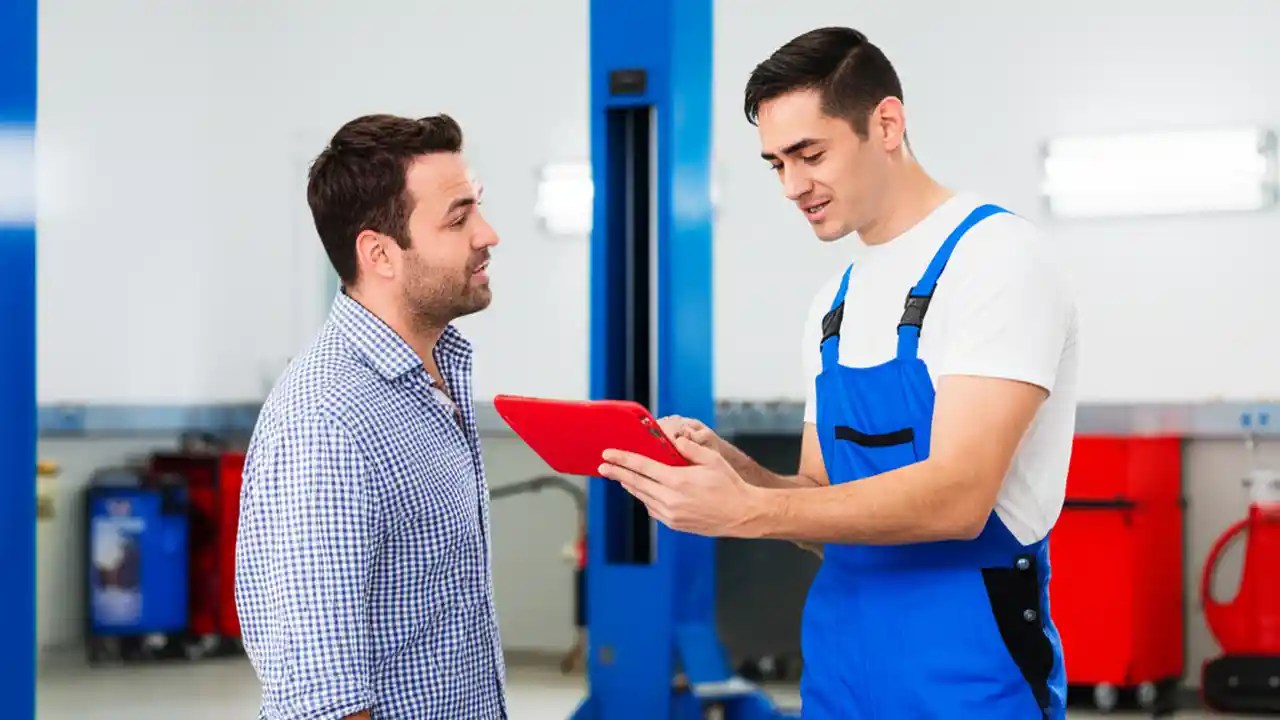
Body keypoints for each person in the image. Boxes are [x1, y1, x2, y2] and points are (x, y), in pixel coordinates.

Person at [598, 27, 1078, 720]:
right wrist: (736, 472)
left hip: (969, 669)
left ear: (886, 123)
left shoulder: (997, 262)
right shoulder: (836, 305)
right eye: (775, 165)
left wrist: (749, 510)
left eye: (809, 154)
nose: (793, 186)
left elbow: (958, 499)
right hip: (840, 668)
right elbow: (821, 505)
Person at [235, 113, 507, 720]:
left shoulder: (429, 382)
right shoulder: (328, 420)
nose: (488, 233)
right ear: (380, 253)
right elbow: (320, 695)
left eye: (478, 208)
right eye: (458, 218)